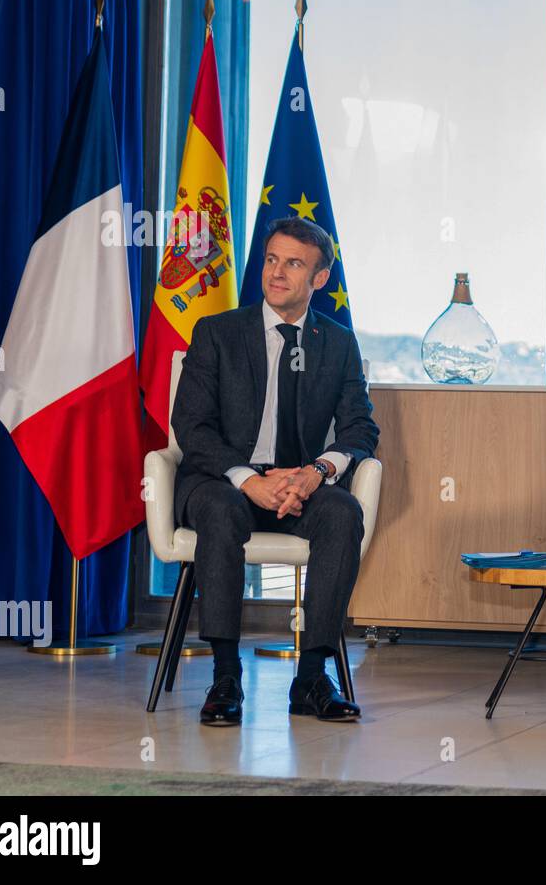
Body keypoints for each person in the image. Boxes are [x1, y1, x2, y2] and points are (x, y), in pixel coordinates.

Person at [172, 216, 380, 726]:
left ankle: (311, 678)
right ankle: (225, 677)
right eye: (271, 259)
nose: (277, 272)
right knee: (220, 509)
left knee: (342, 512)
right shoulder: (217, 333)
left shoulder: (337, 344)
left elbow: (360, 429)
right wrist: (248, 480)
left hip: (298, 484)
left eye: (294, 263)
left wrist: (317, 472)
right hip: (225, 482)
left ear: (320, 278)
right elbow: (191, 427)